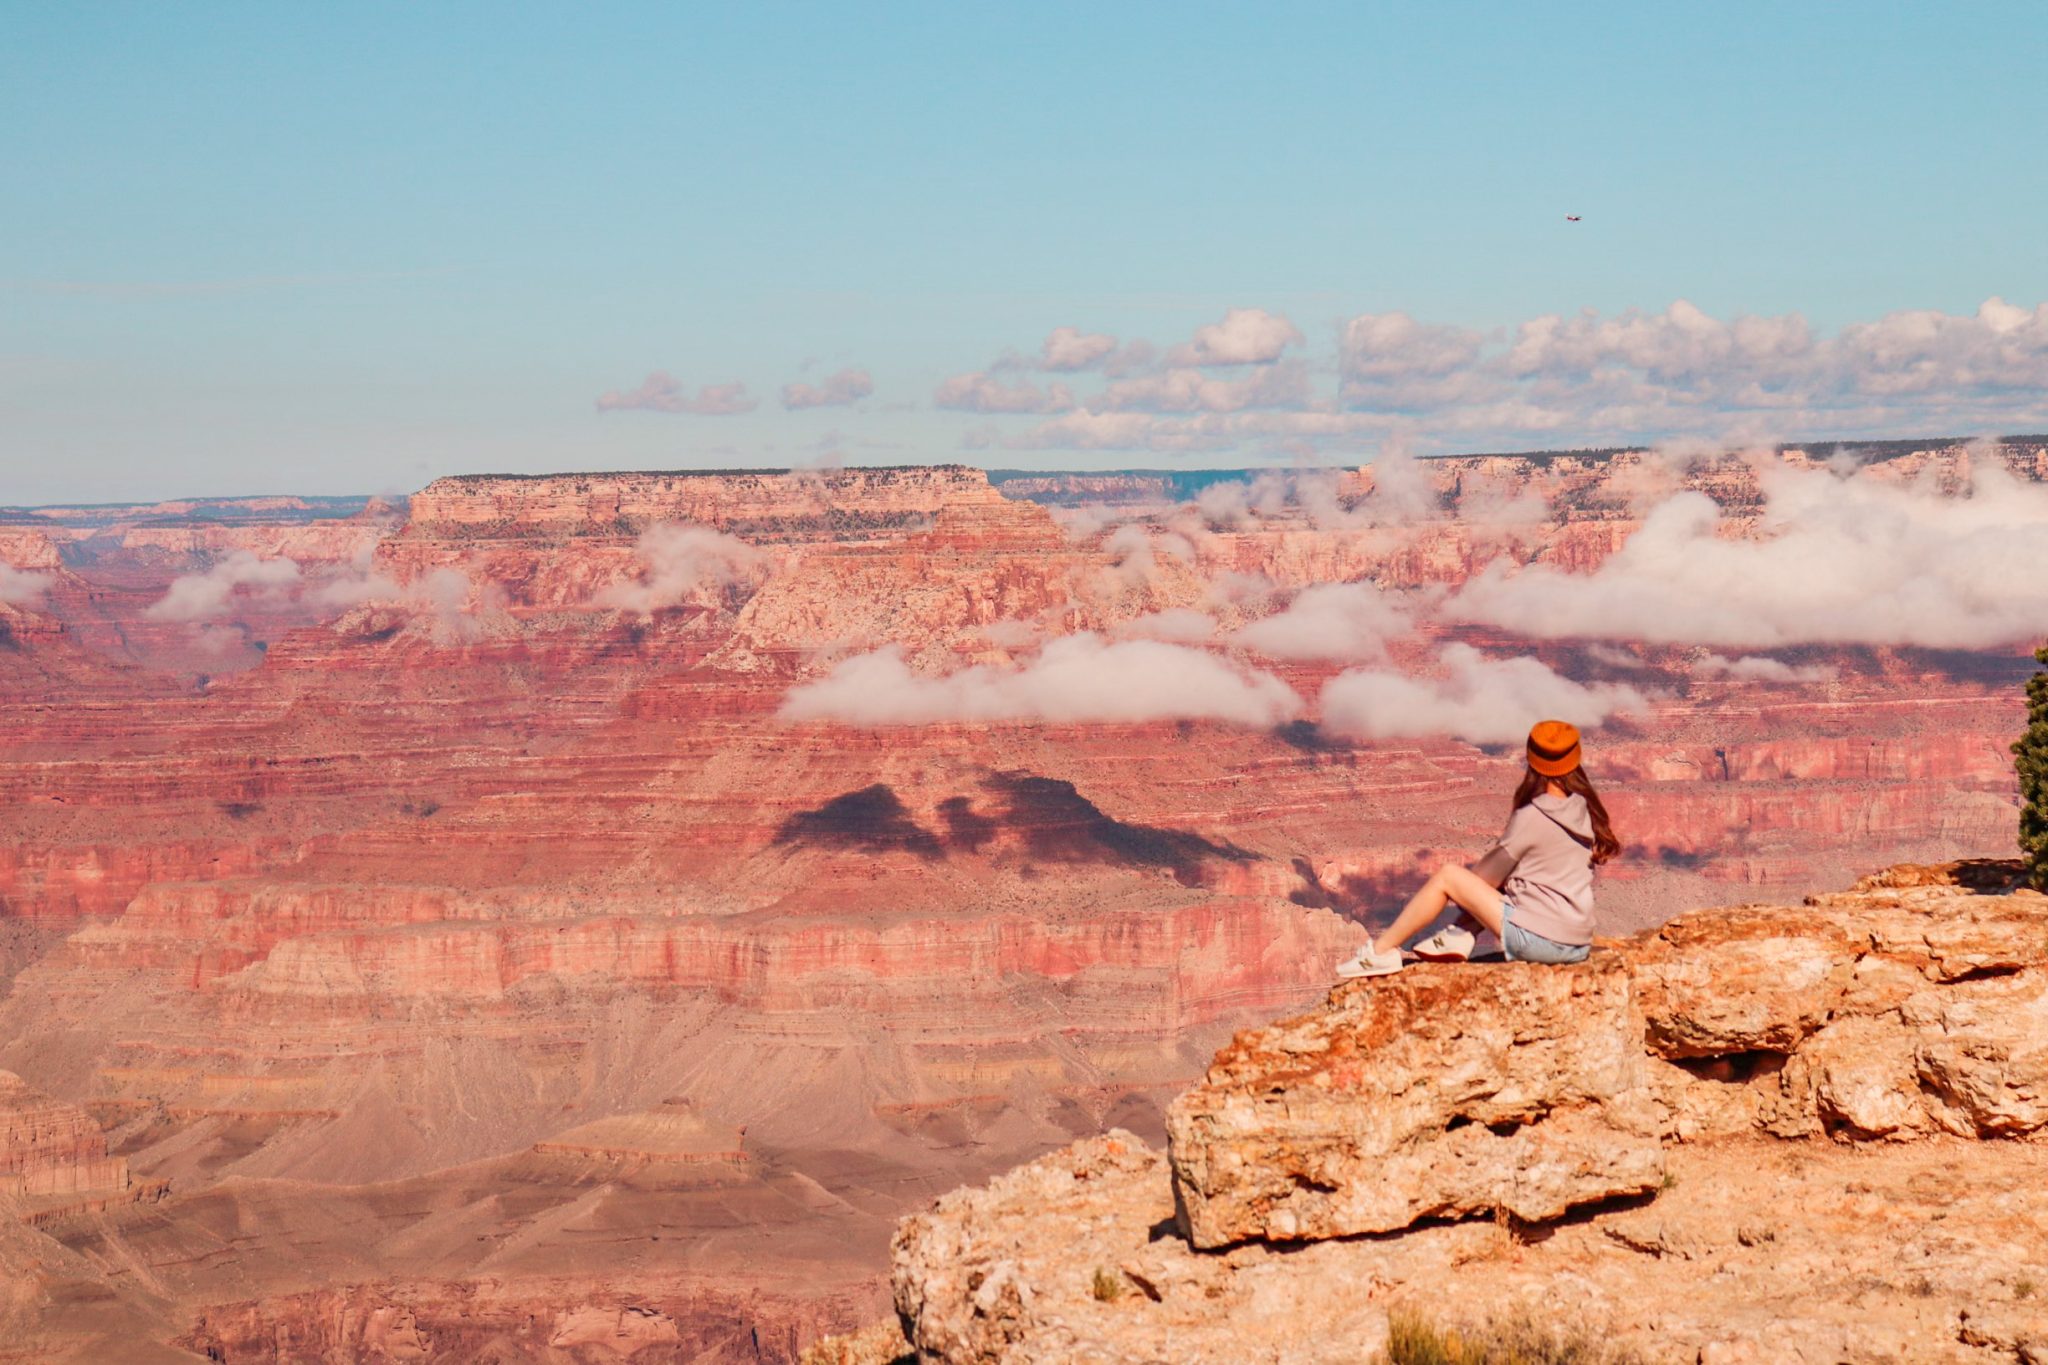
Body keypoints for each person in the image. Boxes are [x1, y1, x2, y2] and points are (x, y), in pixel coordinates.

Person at [1333, 720, 1620, 979]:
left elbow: (1487, 877)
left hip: (1542, 944)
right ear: (1575, 759)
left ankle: (1380, 952)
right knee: (1511, 880)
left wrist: (1469, 894)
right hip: (1577, 943)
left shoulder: (1534, 816)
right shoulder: (1584, 807)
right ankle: (1459, 935)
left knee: (1448, 876)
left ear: (1531, 760)